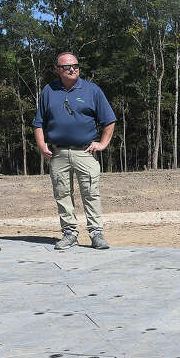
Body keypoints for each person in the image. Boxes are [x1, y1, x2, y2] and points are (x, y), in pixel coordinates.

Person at [32, 52, 116, 250]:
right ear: (57, 70)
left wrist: (102, 144)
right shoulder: (48, 91)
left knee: (91, 193)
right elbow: (38, 123)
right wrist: (42, 145)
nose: (72, 69)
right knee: (62, 194)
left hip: (85, 152)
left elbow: (109, 120)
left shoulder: (92, 90)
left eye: (76, 66)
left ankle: (96, 234)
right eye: (67, 67)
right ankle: (69, 233)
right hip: (58, 153)